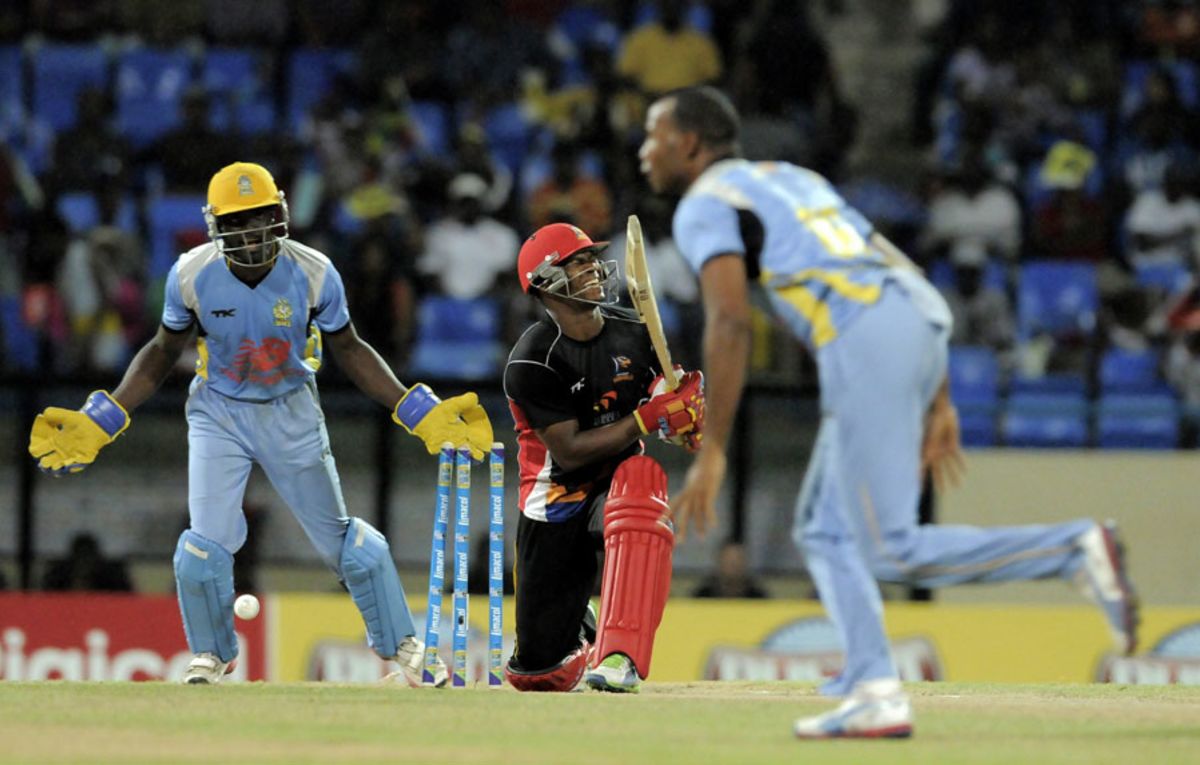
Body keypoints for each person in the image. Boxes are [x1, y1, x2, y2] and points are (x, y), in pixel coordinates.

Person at [638, 86, 1139, 739]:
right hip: (914, 311)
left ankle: (1070, 550)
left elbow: (729, 321)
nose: (644, 148)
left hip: (865, 331)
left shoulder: (703, 203)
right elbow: (894, 261)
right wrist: (939, 393)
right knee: (820, 526)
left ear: (690, 144)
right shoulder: (791, 178)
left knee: (890, 547)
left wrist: (713, 451)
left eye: (654, 133)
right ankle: (864, 670)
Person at [28, 162, 493, 686]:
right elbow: (162, 351)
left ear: (281, 214)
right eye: (240, 222)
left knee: (342, 543)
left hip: (291, 409)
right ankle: (210, 653)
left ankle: (403, 644)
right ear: (216, 227)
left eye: (262, 217)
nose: (252, 233)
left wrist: (418, 410)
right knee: (205, 542)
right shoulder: (190, 274)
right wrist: (104, 417)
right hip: (218, 412)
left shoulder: (315, 271)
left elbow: (351, 349)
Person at [501, 222, 705, 693]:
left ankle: (620, 656)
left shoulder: (635, 331)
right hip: (555, 499)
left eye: (592, 259)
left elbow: (673, 409)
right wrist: (646, 419)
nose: (593, 268)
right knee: (539, 673)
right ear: (546, 280)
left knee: (637, 492)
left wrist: (685, 418)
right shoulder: (532, 360)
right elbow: (569, 452)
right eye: (578, 263)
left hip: (618, 480)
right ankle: (583, 627)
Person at [41, 532, 133, 592]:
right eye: (80, 558)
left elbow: (128, 601)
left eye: (87, 558)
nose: (84, 564)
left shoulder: (113, 577)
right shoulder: (57, 576)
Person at [691, 540, 769, 599]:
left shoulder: (757, 597)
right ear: (718, 562)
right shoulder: (703, 596)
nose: (734, 565)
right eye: (728, 560)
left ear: (746, 563)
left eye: (738, 560)